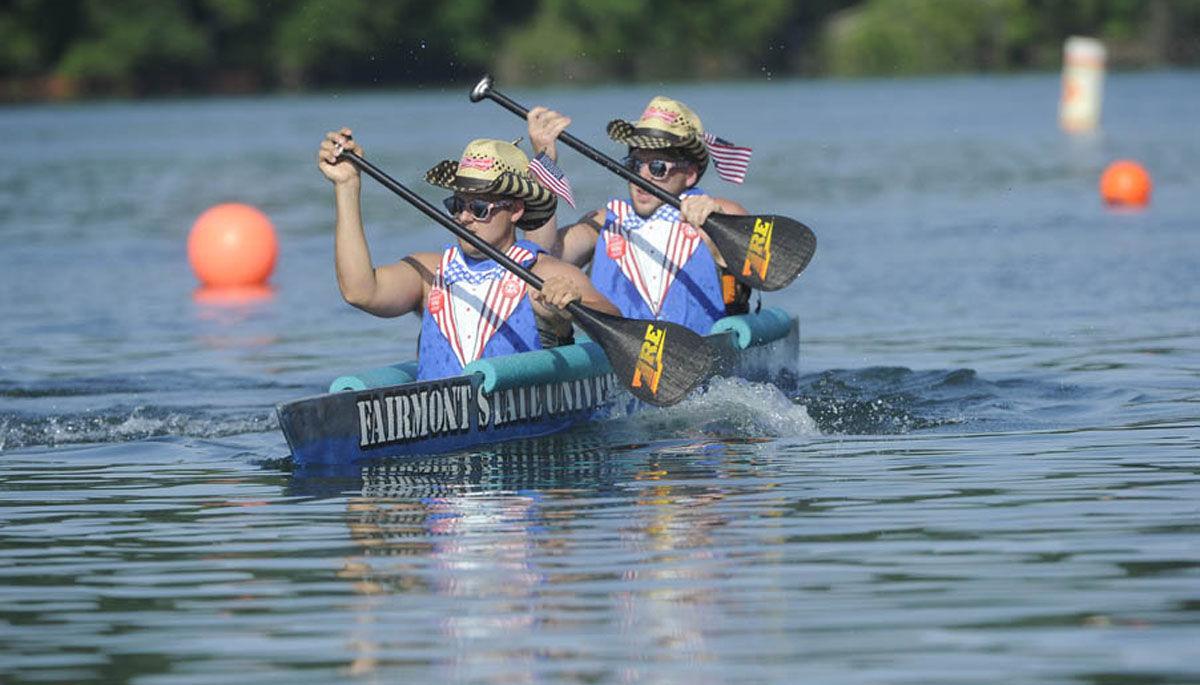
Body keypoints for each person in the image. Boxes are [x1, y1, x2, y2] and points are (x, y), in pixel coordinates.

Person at [317, 130, 621, 381]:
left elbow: (618, 329)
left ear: (515, 210)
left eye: (478, 208)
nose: (463, 217)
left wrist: (570, 308)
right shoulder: (429, 272)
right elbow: (359, 291)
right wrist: (347, 186)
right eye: (457, 205)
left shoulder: (546, 274)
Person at [524, 96, 752, 335]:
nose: (642, 177)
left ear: (690, 174)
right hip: (623, 356)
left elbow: (766, 270)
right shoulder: (602, 222)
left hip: (704, 353)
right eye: (634, 165)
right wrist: (545, 166)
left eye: (656, 167)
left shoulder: (720, 213)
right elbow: (538, 257)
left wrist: (716, 235)